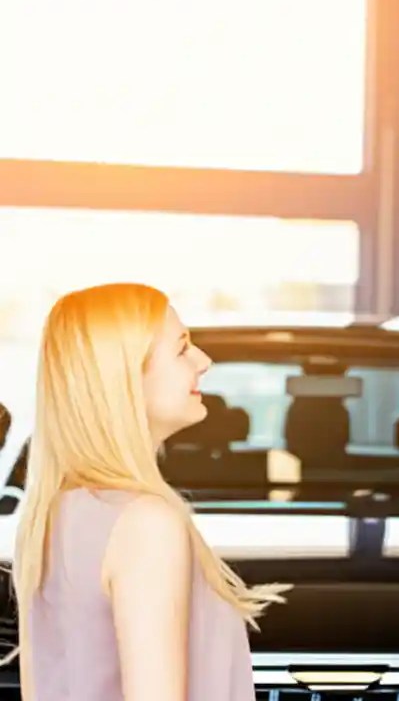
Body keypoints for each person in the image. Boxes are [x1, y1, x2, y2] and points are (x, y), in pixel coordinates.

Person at [9, 283, 289, 700]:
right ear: (124, 376)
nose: (204, 361)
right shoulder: (145, 523)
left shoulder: (53, 514)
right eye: (182, 349)